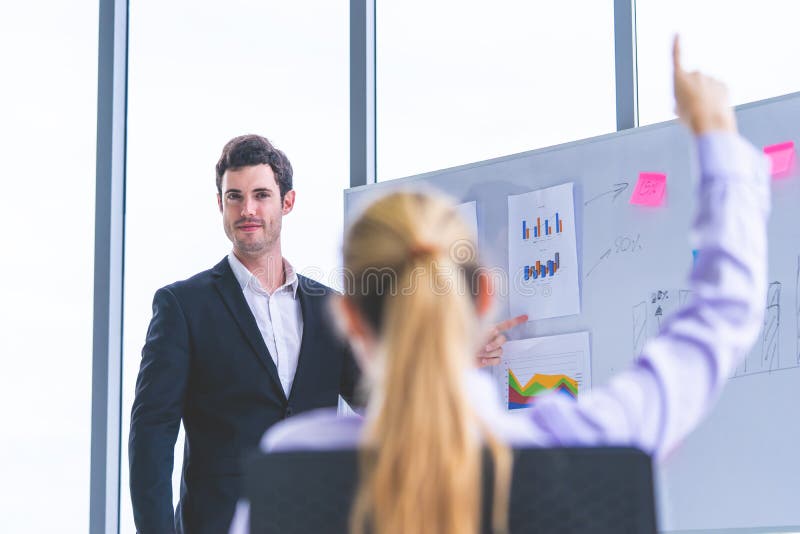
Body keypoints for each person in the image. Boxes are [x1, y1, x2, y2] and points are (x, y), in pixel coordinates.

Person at [228, 36, 770, 534]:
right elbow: (725, 312)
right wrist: (719, 139)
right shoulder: (584, 446)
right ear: (486, 294)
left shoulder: (291, 471)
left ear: (349, 319)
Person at [128, 134, 521, 533]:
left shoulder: (327, 307)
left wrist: (450, 354)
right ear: (220, 205)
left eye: (261, 194)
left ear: (287, 202)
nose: (247, 209)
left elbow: (378, 397)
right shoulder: (183, 306)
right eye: (234, 197)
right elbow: (151, 438)